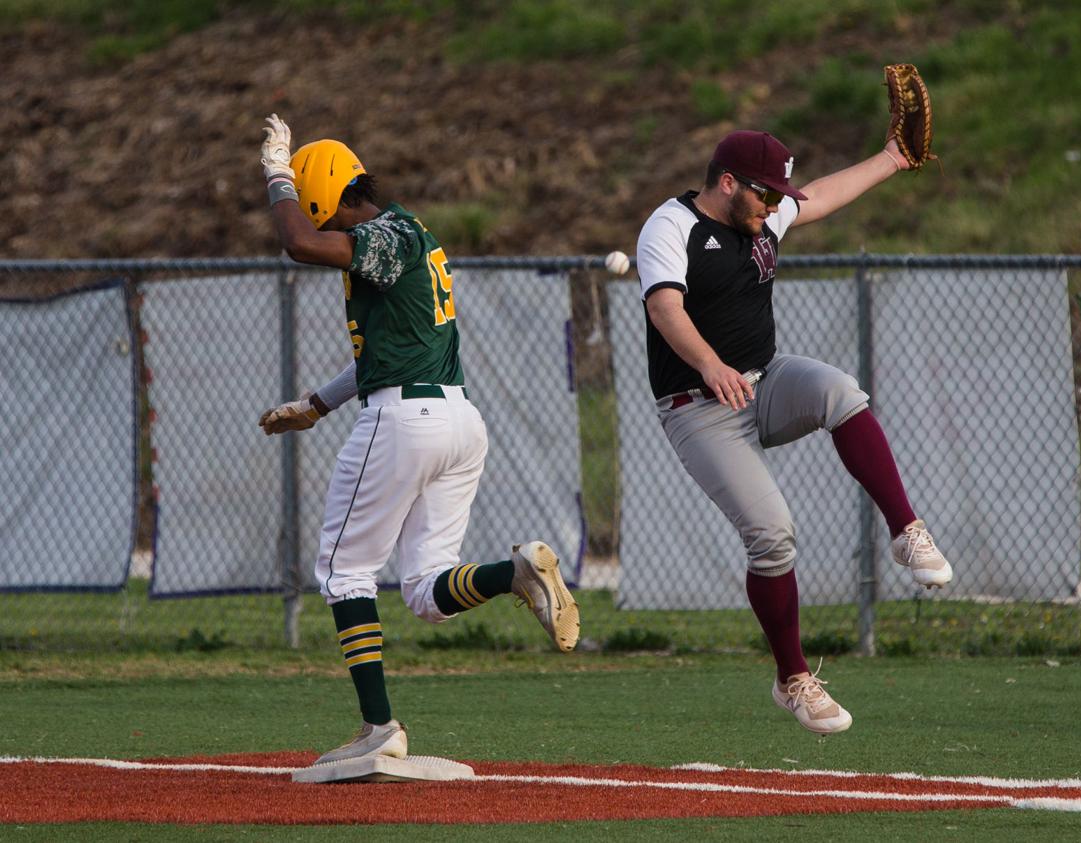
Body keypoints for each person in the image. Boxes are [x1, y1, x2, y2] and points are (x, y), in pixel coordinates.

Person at [256, 114, 580, 765]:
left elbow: (297, 242)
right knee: (425, 591)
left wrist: (276, 175)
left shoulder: (384, 232)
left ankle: (379, 726)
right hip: (456, 418)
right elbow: (387, 350)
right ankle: (515, 572)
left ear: (325, 198)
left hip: (403, 421)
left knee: (343, 570)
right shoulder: (413, 233)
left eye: (319, 212)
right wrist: (318, 404)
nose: (322, 228)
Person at [634, 129, 952, 735]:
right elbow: (664, 308)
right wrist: (709, 363)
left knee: (841, 391)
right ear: (727, 182)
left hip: (764, 381)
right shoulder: (669, 226)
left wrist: (890, 158)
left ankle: (906, 531)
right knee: (773, 535)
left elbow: (821, 196)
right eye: (764, 193)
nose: (775, 205)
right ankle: (793, 678)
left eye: (778, 194)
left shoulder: (763, 218)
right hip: (697, 406)